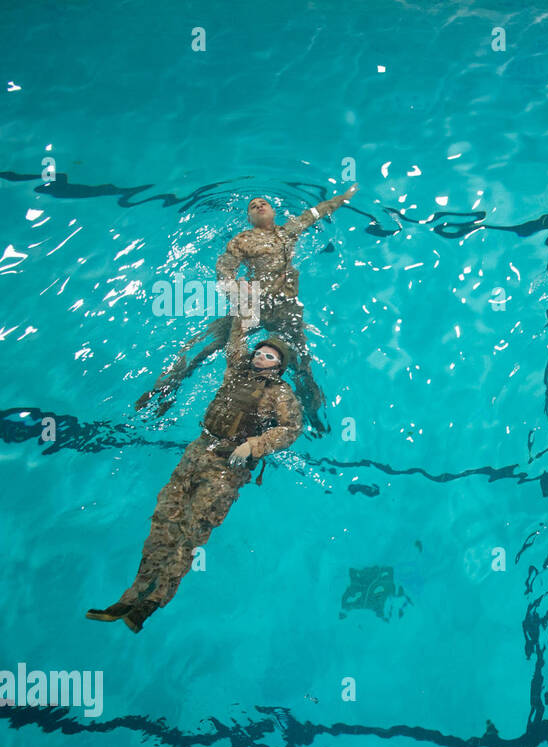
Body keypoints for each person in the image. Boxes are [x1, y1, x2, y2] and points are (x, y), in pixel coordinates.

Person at [87, 308, 303, 632]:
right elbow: (234, 342)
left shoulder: (281, 395)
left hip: (227, 468)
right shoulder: (236, 371)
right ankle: (131, 594)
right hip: (199, 451)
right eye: (259, 351)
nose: (260, 356)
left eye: (269, 355)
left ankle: (153, 601)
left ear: (279, 366)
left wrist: (254, 446)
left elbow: (291, 429)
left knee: (191, 532)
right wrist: (243, 313)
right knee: (164, 519)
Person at [135, 185, 357, 432]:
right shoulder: (243, 240)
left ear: (273, 211)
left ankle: (313, 415)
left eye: (263, 203)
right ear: (250, 218)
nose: (259, 205)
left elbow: (316, 212)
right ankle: (162, 392)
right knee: (201, 346)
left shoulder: (289, 232)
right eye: (253, 206)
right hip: (253, 304)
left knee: (301, 361)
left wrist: (344, 197)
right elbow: (224, 271)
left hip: (284, 307)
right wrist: (237, 294)